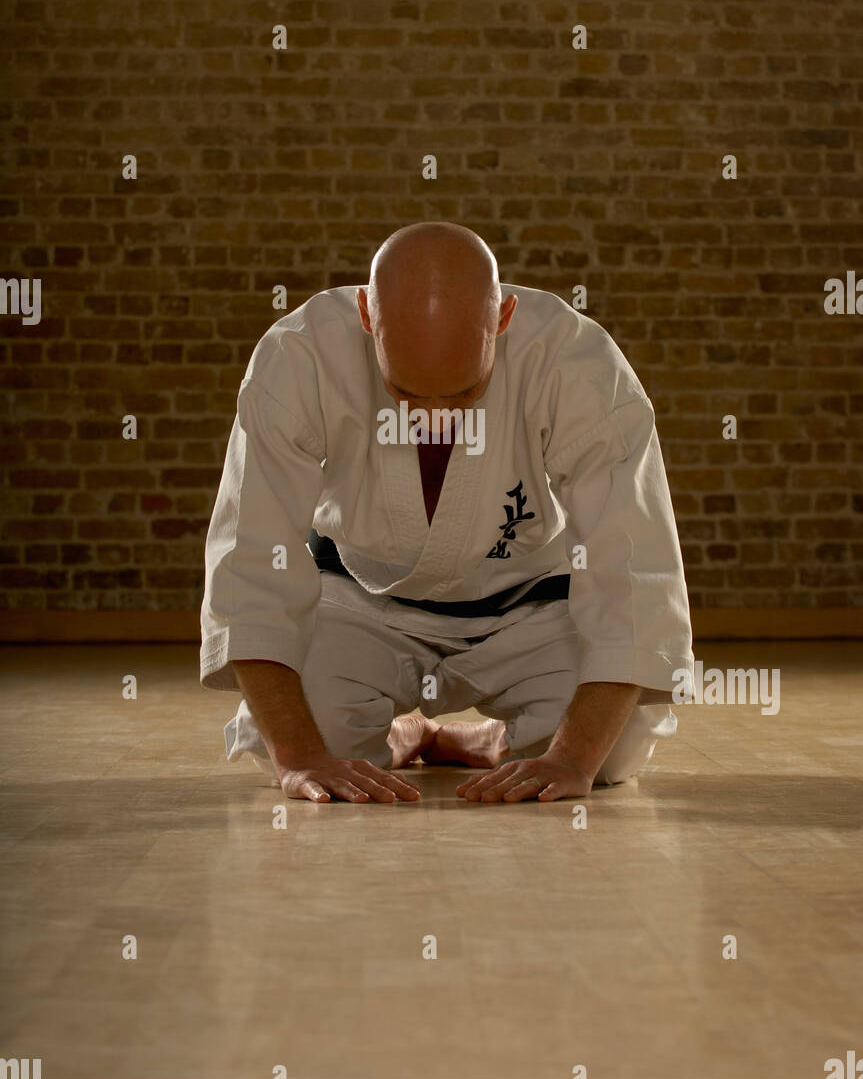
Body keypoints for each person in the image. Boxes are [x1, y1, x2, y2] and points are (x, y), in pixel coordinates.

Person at [200, 221, 693, 804]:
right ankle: (406, 734)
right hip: (362, 602)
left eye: (462, 394)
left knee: (611, 747)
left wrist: (572, 758)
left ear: (503, 318)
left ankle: (483, 741)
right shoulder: (299, 357)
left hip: (530, 604)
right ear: (366, 315)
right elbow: (251, 559)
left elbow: (632, 570)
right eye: (406, 392)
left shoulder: (577, 364)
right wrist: (300, 756)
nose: (433, 415)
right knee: (297, 737)